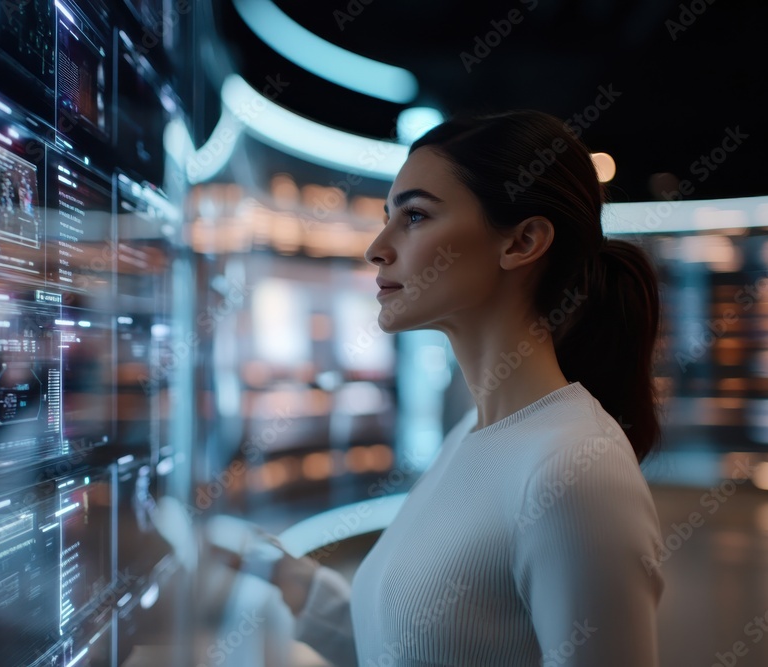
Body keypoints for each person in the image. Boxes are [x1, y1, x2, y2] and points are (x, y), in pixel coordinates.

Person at [269, 110, 667, 666]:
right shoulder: (472, 434)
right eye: (389, 216)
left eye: (414, 216)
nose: (377, 247)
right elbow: (414, 647)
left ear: (523, 241)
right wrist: (282, 577)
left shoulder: (576, 469)